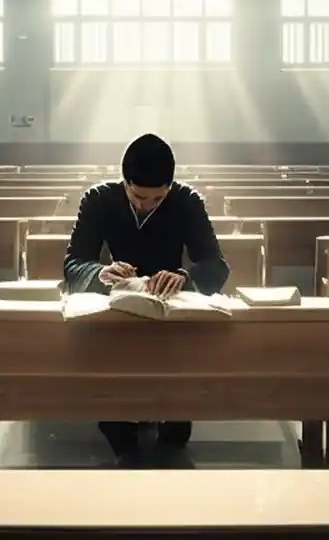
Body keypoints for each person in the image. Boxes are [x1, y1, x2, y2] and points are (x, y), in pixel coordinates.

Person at [63, 133, 229, 466]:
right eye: (138, 196)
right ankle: (121, 429)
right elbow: (74, 264)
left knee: (176, 427)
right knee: (116, 420)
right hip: (116, 308)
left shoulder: (187, 201)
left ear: (170, 186)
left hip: (170, 310)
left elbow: (216, 265)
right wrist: (101, 273)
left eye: (157, 199)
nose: (145, 205)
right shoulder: (98, 199)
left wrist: (185, 277)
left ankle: (166, 424)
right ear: (124, 182)